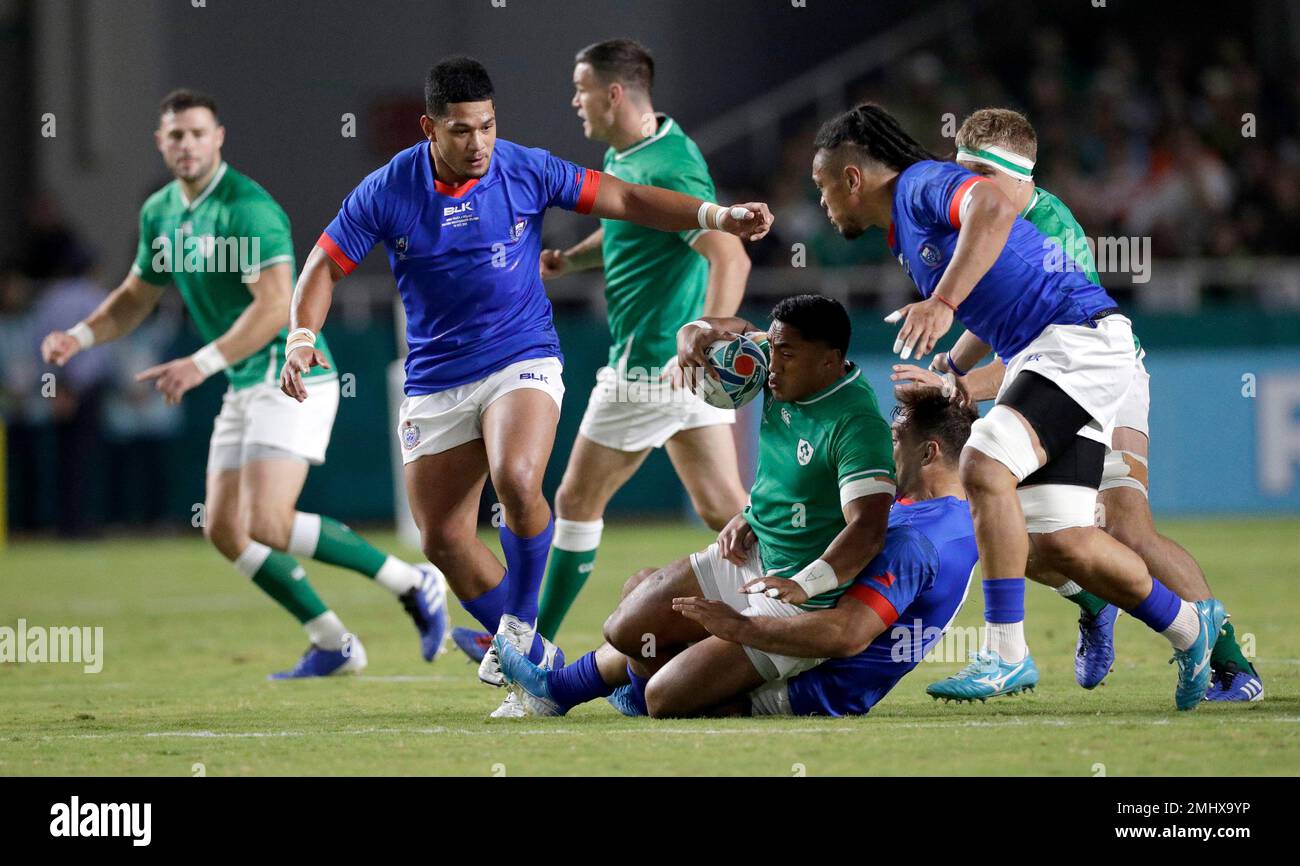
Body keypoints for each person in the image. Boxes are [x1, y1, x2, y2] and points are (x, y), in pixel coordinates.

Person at [280, 57, 772, 716]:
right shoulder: (387, 189)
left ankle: (519, 630)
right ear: (429, 128)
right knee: (443, 539)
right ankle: (541, 660)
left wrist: (714, 215)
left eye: (486, 126)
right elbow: (321, 265)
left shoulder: (525, 166)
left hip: (523, 358)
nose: (477, 142)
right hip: (435, 379)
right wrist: (302, 338)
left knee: (521, 478)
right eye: (460, 130)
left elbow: (625, 199)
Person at [810, 102, 1223, 709]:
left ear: (851, 177)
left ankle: (1005, 652)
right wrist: (950, 368)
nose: (821, 202)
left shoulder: (920, 184)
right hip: (1050, 352)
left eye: (822, 187)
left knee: (982, 466)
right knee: (1063, 543)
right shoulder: (906, 229)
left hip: (1075, 341)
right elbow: (997, 283)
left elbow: (995, 205)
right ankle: (1192, 629)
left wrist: (943, 304)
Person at [40, 89, 449, 679]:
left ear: (219, 138)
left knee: (266, 522)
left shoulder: (247, 207)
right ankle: (332, 641)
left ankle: (412, 581)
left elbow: (276, 305)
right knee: (227, 530)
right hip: (241, 381)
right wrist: (78, 336)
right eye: (176, 135)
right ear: (161, 143)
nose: (187, 144)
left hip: (295, 375)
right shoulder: (160, 211)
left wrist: (198, 364)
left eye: (198, 133)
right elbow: (137, 296)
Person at [451, 39, 751, 660]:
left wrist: (708, 331)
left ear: (614, 93)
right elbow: (632, 223)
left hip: (651, 366)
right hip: (676, 371)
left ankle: (527, 646)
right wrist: (573, 258)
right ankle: (808, 599)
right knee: (723, 507)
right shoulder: (632, 152)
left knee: (574, 500)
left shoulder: (671, 165)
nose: (574, 101)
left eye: (581, 88)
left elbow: (729, 251)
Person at [491, 294, 897, 716]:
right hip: (750, 557)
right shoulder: (777, 360)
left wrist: (805, 584)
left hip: (798, 602)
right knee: (626, 627)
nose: (771, 365)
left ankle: (574, 690)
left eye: (786, 355)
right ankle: (609, 684)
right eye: (772, 348)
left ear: (830, 361)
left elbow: (867, 530)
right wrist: (691, 337)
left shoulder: (857, 424)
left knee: (664, 698)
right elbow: (721, 327)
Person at [496, 387, 980, 718]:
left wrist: (741, 625)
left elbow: (847, 633)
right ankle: (580, 685)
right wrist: (753, 515)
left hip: (819, 685)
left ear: (929, 453)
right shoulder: (926, 510)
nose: (883, 450)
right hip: (803, 632)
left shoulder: (916, 540)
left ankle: (629, 687)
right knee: (642, 590)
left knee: (663, 696)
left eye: (895, 440)